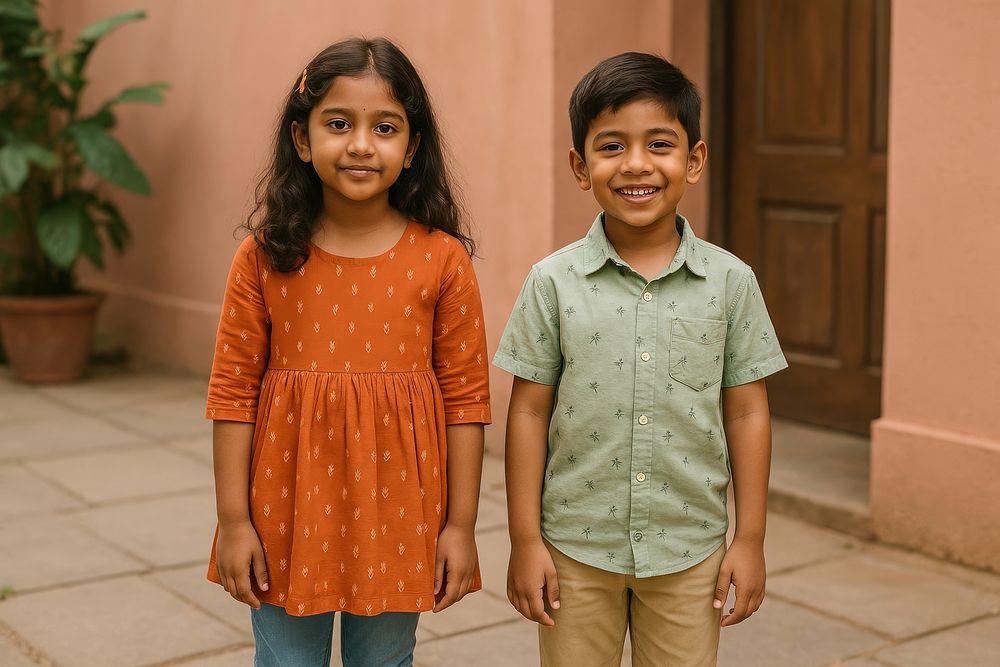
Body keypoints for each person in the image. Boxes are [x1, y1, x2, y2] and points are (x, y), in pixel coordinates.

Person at [204, 37, 491, 667]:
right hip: (282, 509)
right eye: (339, 124)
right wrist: (233, 520)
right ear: (302, 140)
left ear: (411, 148)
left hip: (398, 512)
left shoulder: (443, 260)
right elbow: (232, 393)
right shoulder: (263, 257)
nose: (361, 144)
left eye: (384, 127)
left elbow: (467, 402)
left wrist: (460, 527)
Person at [494, 52, 787, 666]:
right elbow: (527, 414)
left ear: (694, 160)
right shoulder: (553, 282)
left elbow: (747, 414)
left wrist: (751, 538)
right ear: (581, 166)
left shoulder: (731, 282)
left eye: (659, 143)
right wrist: (525, 540)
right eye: (611, 146)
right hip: (575, 547)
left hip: (689, 550)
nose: (635, 164)